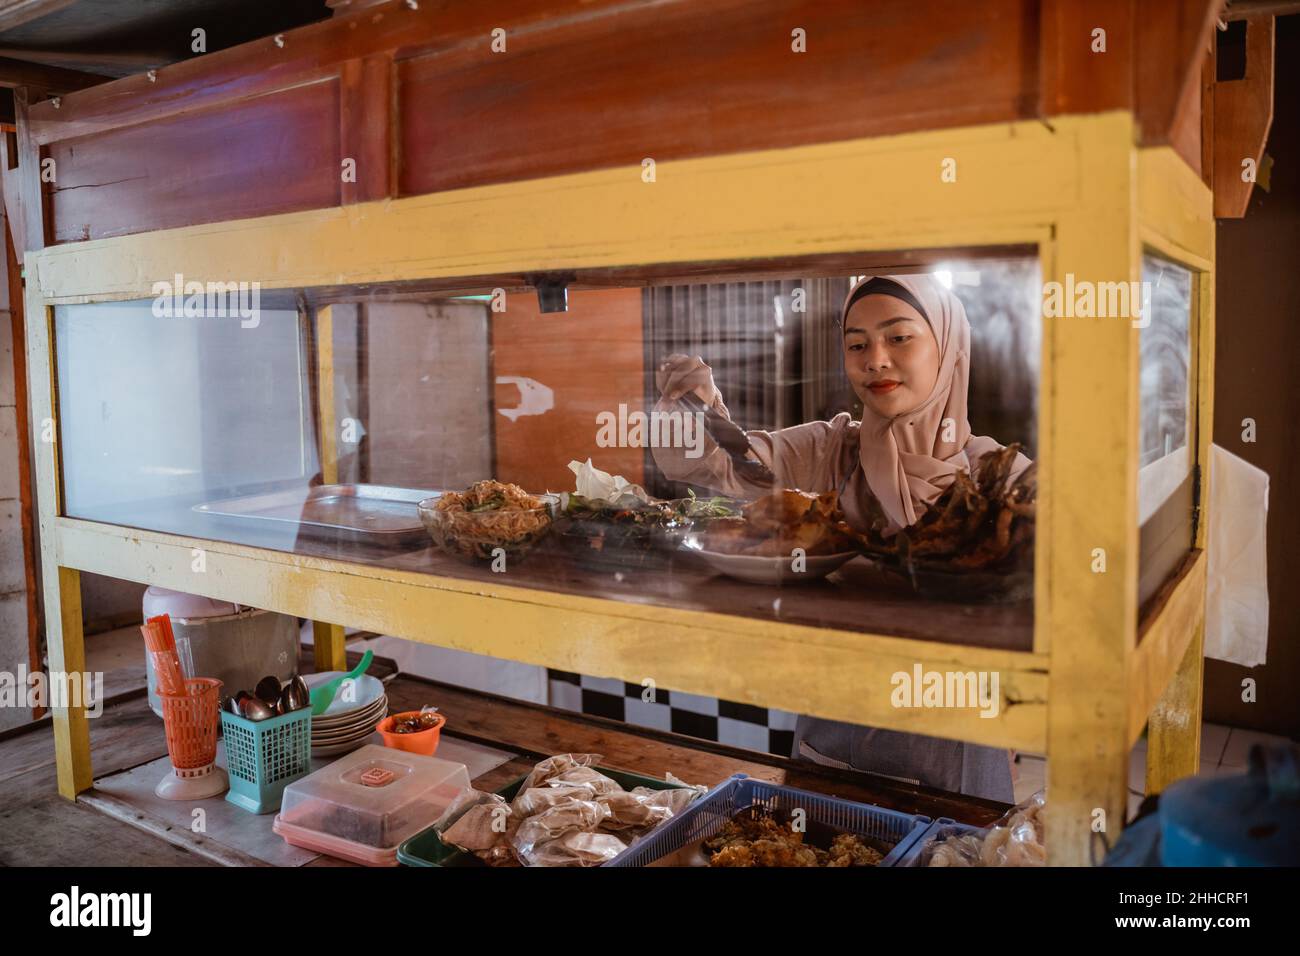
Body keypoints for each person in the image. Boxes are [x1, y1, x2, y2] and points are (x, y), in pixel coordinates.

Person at [651, 274, 1031, 801]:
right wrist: (696, 402)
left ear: (947, 347)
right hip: (830, 741)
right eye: (857, 343)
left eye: (899, 337)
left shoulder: (1000, 479)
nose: (875, 359)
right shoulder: (835, 449)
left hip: (955, 757)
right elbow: (719, 464)